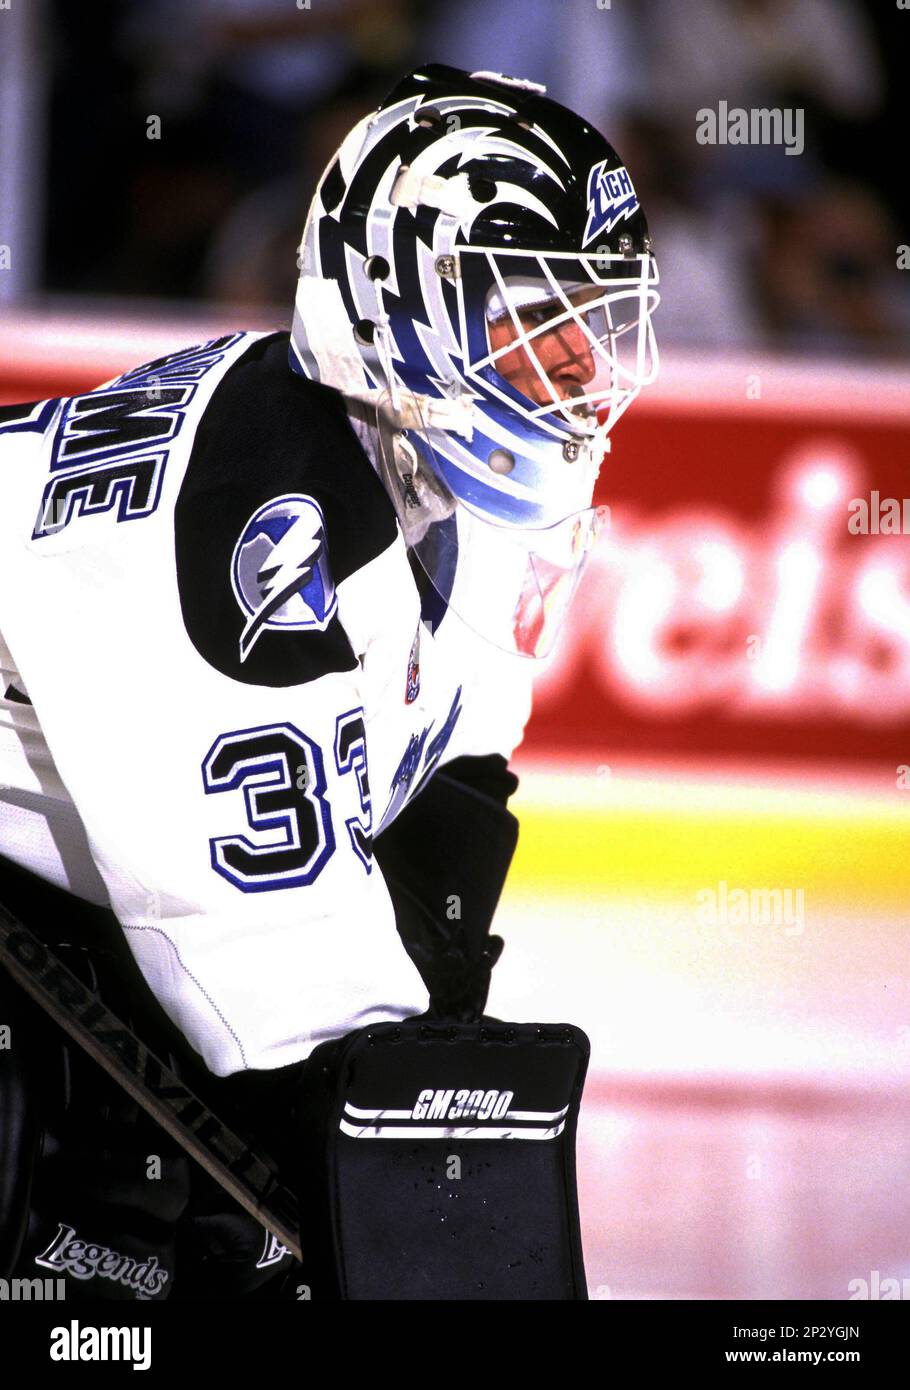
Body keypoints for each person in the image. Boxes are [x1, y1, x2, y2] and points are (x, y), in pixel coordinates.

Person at [0, 64, 659, 1299]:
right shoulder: (258, 535)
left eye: (600, 309)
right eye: (535, 308)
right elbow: (268, 967)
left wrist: (434, 1041)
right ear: (403, 305)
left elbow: (453, 773)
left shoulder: (460, 464)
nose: (581, 361)